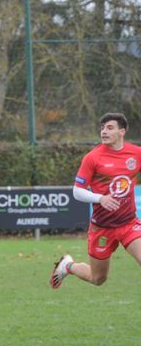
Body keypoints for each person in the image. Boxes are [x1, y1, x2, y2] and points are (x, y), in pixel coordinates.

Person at [51, 112, 141, 289]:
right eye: (102, 128)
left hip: (129, 224)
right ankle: (67, 266)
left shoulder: (136, 153)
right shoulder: (93, 158)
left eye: (110, 128)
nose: (104, 131)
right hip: (102, 228)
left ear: (122, 131)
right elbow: (77, 191)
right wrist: (100, 198)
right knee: (98, 278)